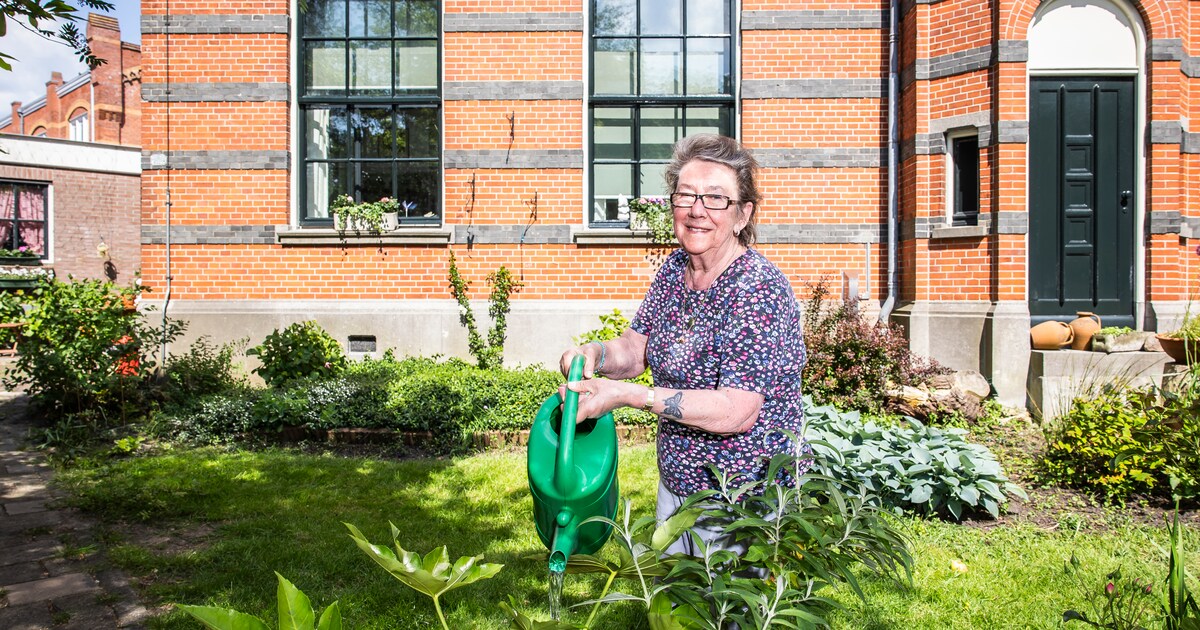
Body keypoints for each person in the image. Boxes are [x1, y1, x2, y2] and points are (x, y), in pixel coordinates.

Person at [558, 133, 807, 555]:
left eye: (715, 199)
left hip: (742, 501)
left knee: (730, 618)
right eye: (686, 195)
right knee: (673, 612)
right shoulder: (675, 269)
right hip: (677, 487)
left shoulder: (758, 288)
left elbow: (736, 411)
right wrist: (595, 355)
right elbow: (635, 350)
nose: (697, 210)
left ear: (743, 214)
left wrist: (625, 396)